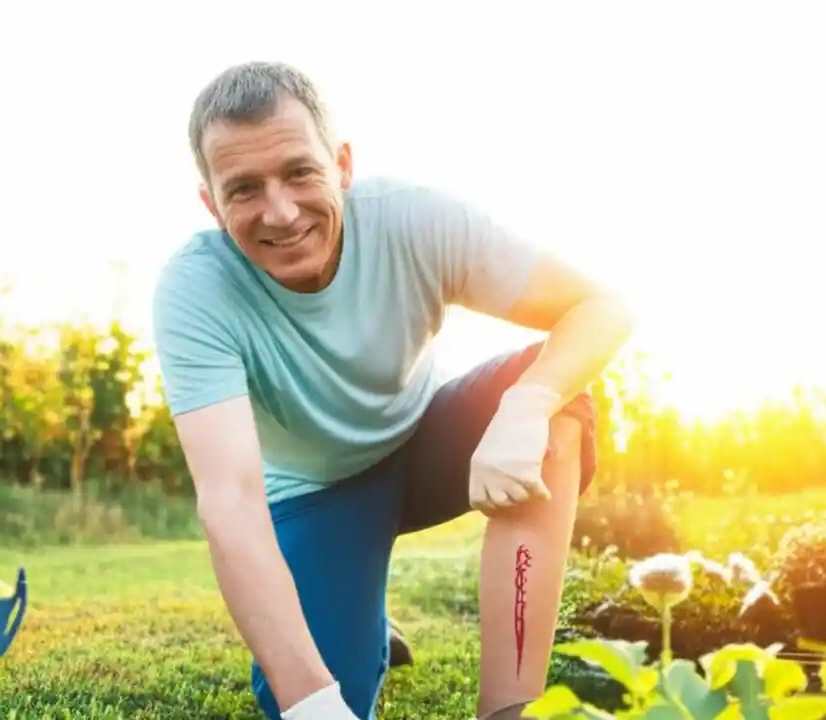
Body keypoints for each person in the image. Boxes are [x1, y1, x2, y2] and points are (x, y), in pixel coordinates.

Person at [151, 60, 635, 720]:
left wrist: (528, 404)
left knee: (556, 413)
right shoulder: (196, 291)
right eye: (244, 189)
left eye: (300, 172)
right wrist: (312, 705)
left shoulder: (413, 221)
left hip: (423, 445)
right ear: (211, 203)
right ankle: (354, 608)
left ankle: (509, 708)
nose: (281, 212)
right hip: (314, 494)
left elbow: (600, 306)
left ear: (342, 165)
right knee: (320, 691)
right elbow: (231, 500)